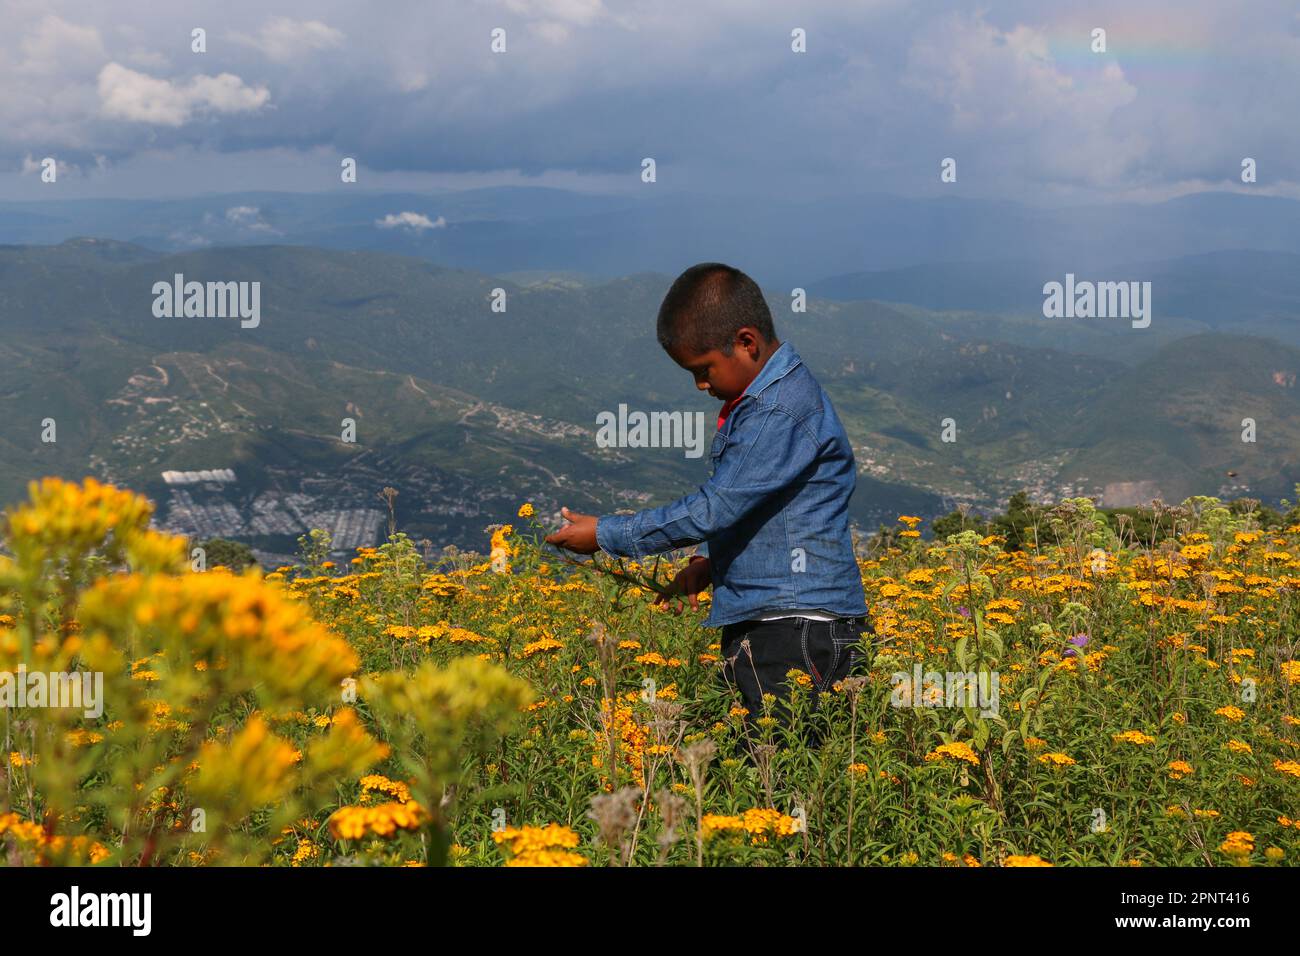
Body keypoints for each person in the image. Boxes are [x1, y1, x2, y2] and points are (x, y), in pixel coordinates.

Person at [546, 262, 872, 740]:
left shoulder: (775, 410)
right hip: (792, 622)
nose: (700, 385)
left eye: (704, 370)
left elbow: (715, 507)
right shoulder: (770, 399)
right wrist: (706, 560)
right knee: (785, 773)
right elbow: (757, 505)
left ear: (746, 342)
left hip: (794, 628)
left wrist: (606, 535)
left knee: (777, 779)